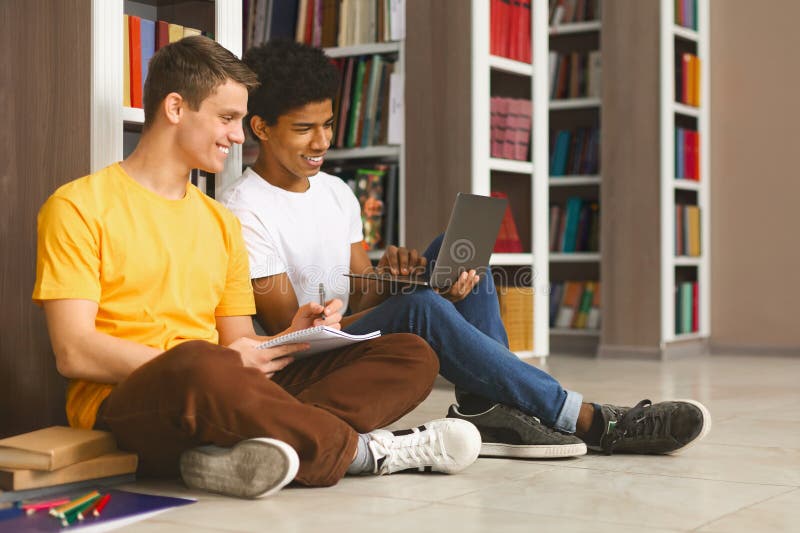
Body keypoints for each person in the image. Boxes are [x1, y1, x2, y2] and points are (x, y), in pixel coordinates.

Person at [32, 36, 482, 500]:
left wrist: (293, 334)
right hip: (131, 402)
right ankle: (361, 453)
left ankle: (240, 449)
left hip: (222, 385)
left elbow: (237, 343)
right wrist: (221, 362)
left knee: (409, 355)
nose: (238, 136)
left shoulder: (220, 223)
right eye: (226, 119)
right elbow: (75, 352)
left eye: (241, 121)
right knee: (196, 361)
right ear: (174, 108)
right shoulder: (79, 207)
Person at [222, 39, 712, 460]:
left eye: (328, 124)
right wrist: (410, 300)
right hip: (306, 363)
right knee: (420, 307)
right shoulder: (245, 210)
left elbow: (360, 293)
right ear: (261, 128)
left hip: (351, 333)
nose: (322, 141)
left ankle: (487, 409)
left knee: (458, 253)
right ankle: (588, 419)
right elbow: (297, 335)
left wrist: (394, 277)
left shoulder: (336, 192)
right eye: (304, 129)